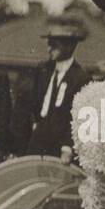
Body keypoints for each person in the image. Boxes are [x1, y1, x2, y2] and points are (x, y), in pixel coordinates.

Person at [25, 19, 91, 160]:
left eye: (54, 46)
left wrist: (67, 148)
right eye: (49, 44)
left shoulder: (80, 78)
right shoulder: (43, 70)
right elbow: (33, 103)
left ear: (69, 46)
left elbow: (78, 118)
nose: (49, 49)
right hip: (37, 140)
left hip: (60, 146)